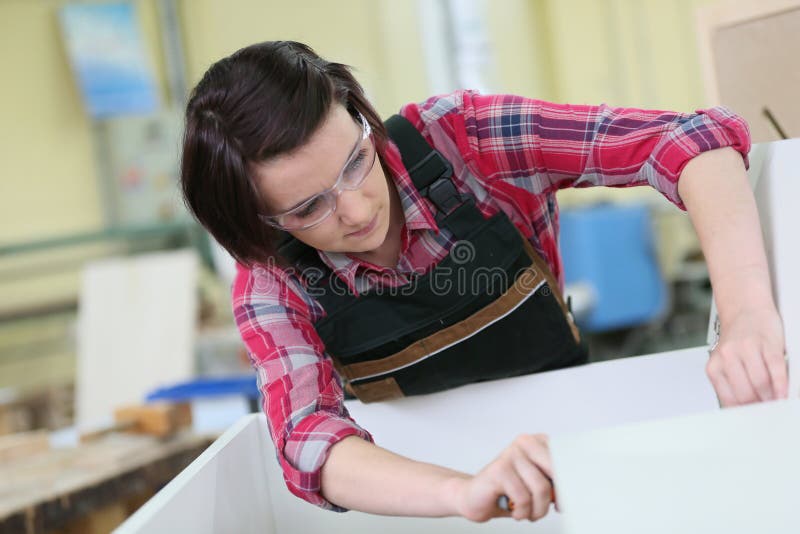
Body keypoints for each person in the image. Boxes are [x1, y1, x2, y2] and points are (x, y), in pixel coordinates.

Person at [179, 41, 787, 523]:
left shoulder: (462, 141)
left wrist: (746, 318)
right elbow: (309, 442)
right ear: (259, 221)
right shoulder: (272, 280)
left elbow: (691, 142)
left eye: (356, 163)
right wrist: (463, 493)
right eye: (310, 208)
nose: (358, 211)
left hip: (573, 443)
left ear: (357, 113)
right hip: (425, 494)